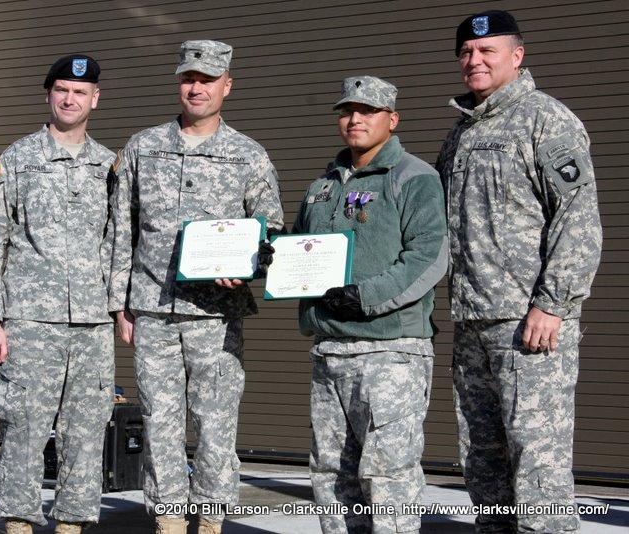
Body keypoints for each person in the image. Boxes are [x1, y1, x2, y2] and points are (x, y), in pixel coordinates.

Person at [436, 10, 603, 533]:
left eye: (487, 51)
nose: (475, 60)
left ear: (517, 55)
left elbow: (578, 219)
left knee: (538, 463)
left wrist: (552, 304)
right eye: (466, 52)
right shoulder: (459, 135)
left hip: (528, 324)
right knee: (483, 461)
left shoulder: (546, 120)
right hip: (472, 322)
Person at [108, 40, 284, 534]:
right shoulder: (144, 147)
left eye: (207, 80)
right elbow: (123, 228)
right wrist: (120, 304)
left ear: (227, 86)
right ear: (178, 83)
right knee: (161, 423)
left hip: (217, 311)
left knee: (215, 421)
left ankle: (210, 517)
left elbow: (269, 226)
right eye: (189, 78)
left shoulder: (248, 155)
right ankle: (166, 517)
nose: (196, 88)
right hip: (154, 307)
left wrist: (249, 264)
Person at [294, 76, 447, 533]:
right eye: (346, 111)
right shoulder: (323, 185)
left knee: (388, 480)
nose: (354, 119)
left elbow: (429, 256)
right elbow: (306, 251)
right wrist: (272, 253)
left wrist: (366, 297)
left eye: (368, 111)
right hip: (329, 352)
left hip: (390, 352)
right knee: (331, 478)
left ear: (392, 119)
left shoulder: (415, 178)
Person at [0, 54, 116, 534]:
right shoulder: (13, 161)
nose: (70, 99)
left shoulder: (111, 167)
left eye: (80, 92)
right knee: (25, 428)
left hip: (93, 325)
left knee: (86, 431)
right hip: (29, 323)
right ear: (49, 95)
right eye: (61, 90)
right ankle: (18, 522)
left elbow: (122, 247)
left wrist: (122, 309)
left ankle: (73, 523)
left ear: (95, 98)